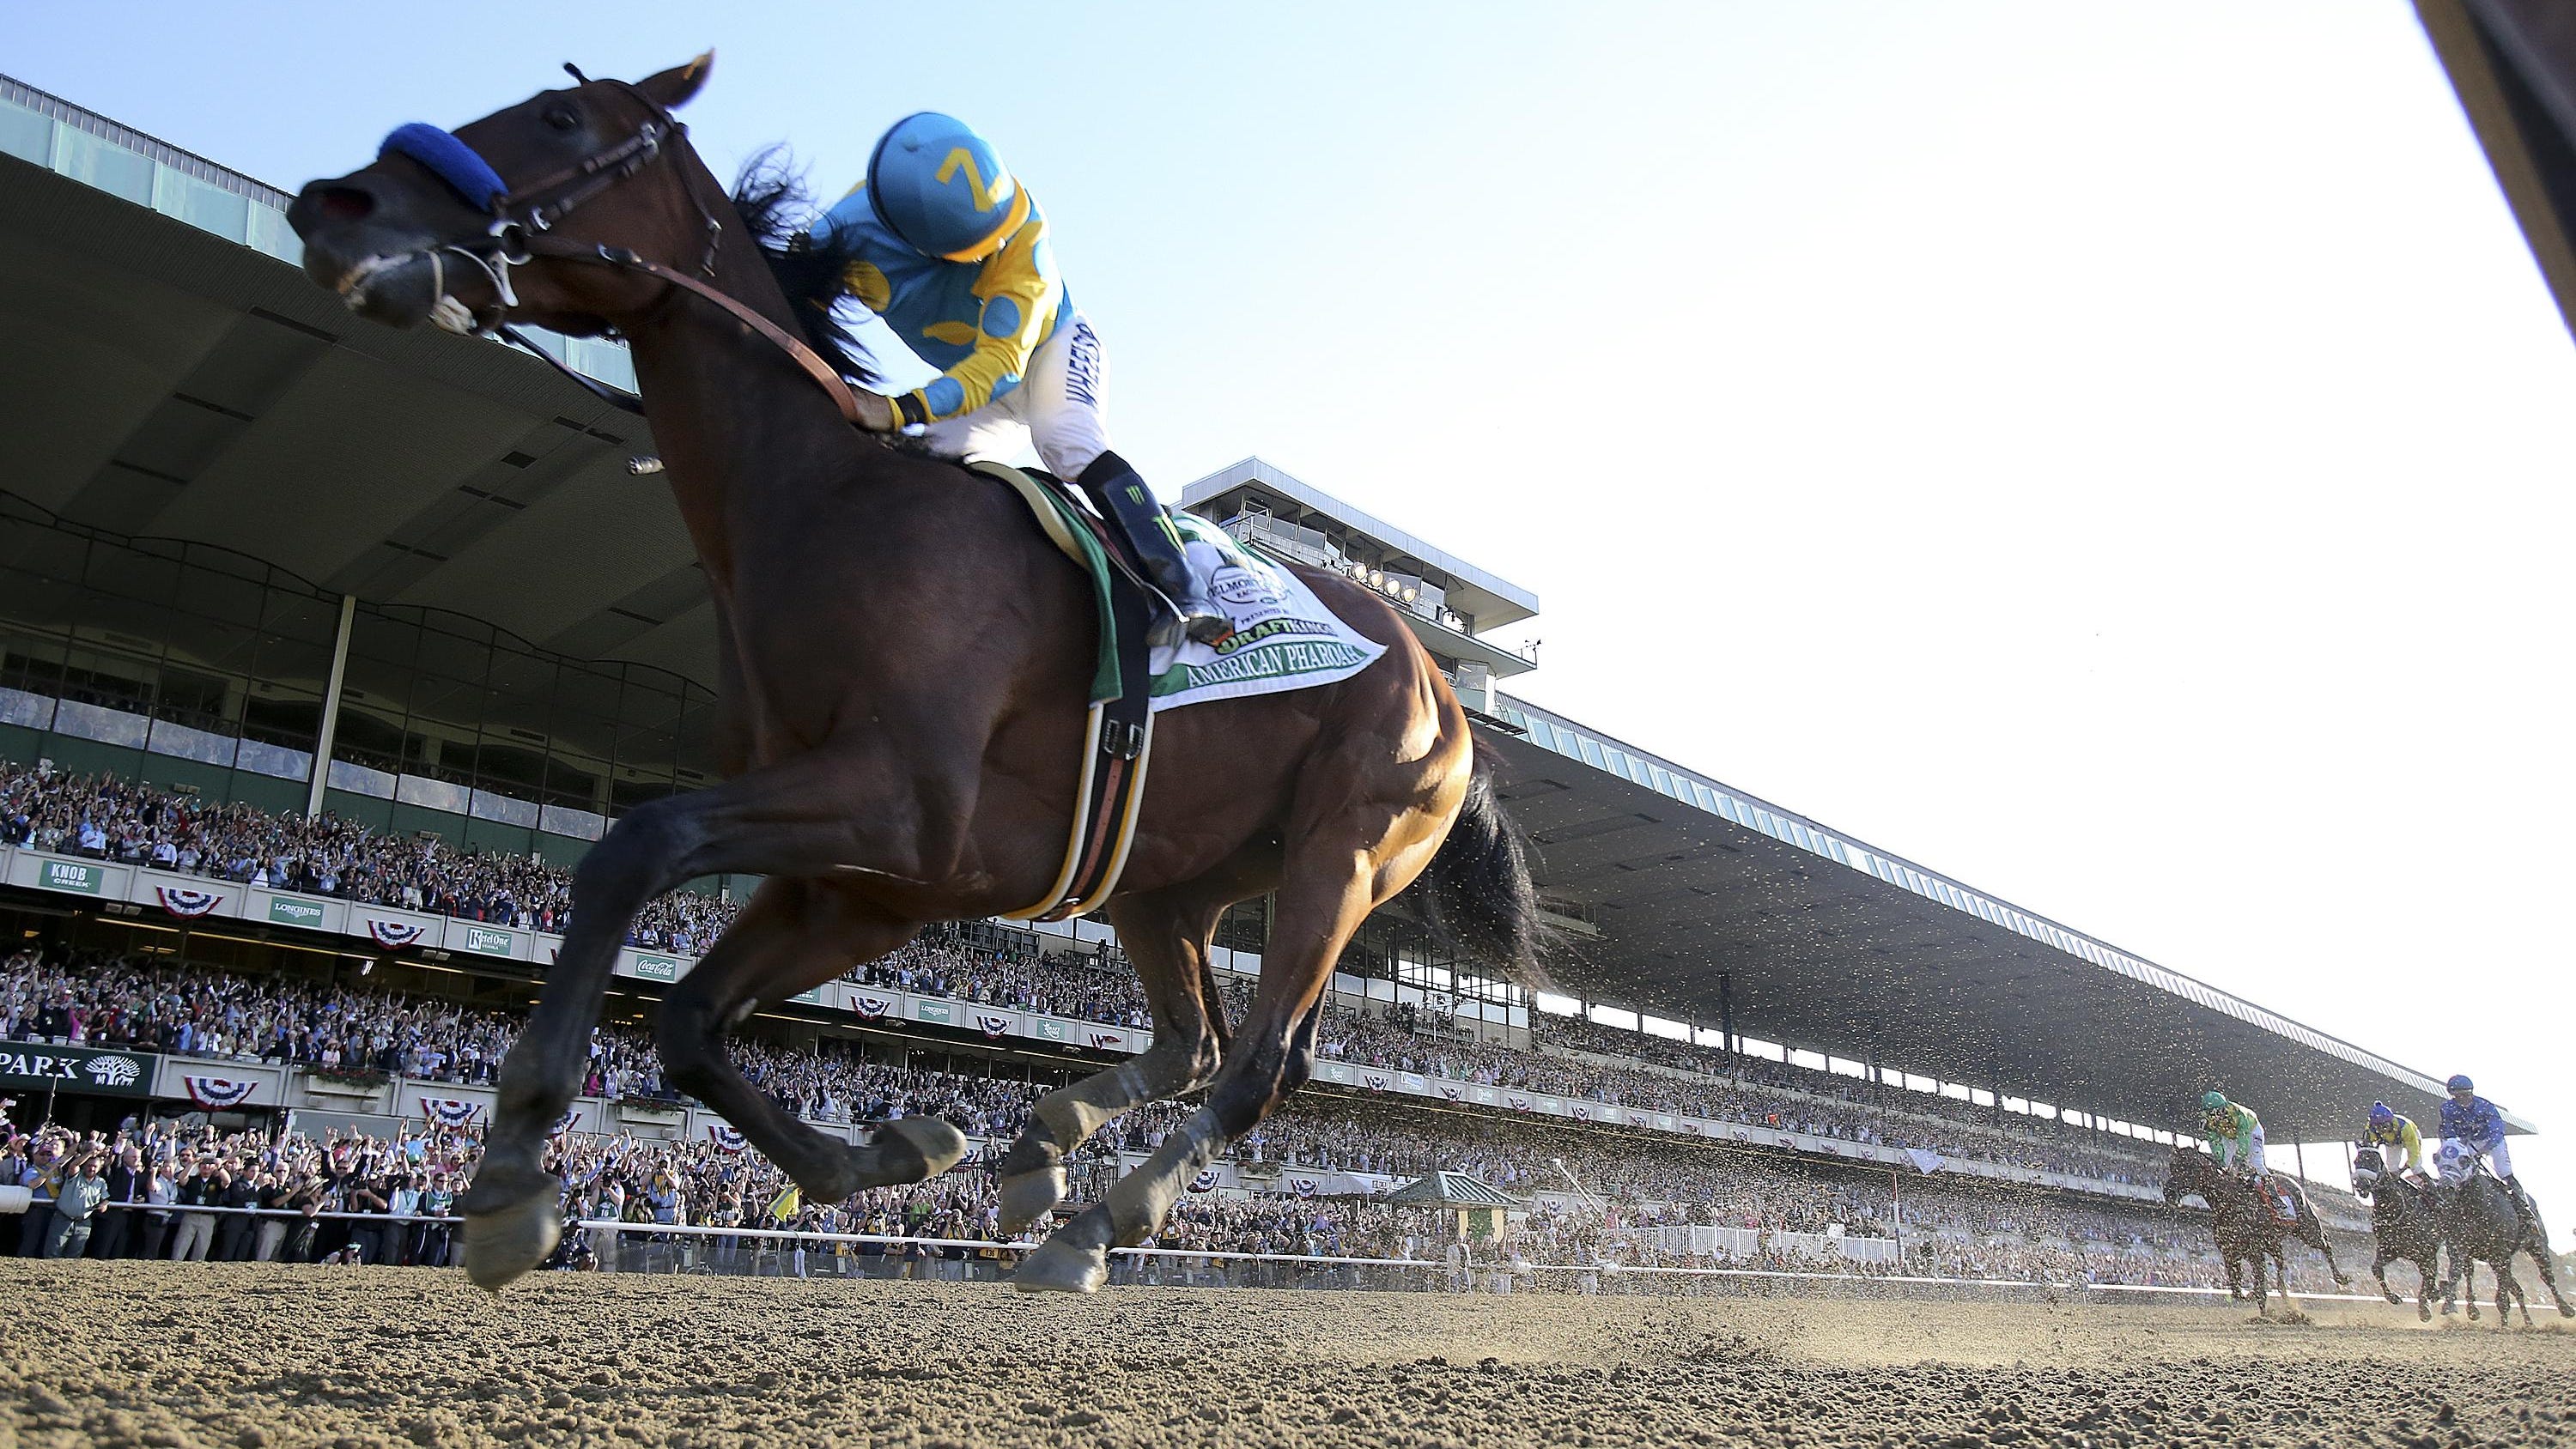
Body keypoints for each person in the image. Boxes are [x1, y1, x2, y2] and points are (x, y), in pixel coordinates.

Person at [813, 112, 1229, 651]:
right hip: (977, 382)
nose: (995, 247)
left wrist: (897, 410)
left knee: (1065, 439)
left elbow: (1002, 365)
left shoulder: (1023, 227)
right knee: (920, 464)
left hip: (1051, 349)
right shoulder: (837, 234)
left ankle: (1182, 587)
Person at [2438, 1075, 2537, 1237]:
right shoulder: (2447, 1108)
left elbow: (2496, 1131)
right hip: (2467, 1142)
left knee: (2504, 1172)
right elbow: (2447, 1130)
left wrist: (2481, 1148)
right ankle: (2448, 1203)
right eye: (2458, 1096)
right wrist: (2454, 1145)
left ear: (2471, 1093)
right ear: (2453, 1095)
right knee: (2453, 1166)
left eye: (2466, 1095)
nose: (2463, 1099)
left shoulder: (2485, 1106)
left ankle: (2525, 1211)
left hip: (2491, 1141)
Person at [2200, 1090, 2295, 1221]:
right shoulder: (2208, 1124)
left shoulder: (2239, 1115)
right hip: (2229, 1135)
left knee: (2256, 1163)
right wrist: (2221, 1160)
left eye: (2221, 1111)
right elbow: (2215, 1143)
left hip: (2250, 1130)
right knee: (2228, 1166)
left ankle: (2277, 1201)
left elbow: (2243, 1139)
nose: (2219, 1115)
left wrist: (2239, 1158)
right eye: (2215, 1113)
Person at [43, 1153, 107, 1259]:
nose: (92, 1168)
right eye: (89, 1165)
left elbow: (105, 1199)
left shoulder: (101, 1182)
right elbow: (74, 1165)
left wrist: (103, 1205)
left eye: (95, 1166)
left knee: (74, 1257)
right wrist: (89, 1152)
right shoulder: (75, 1176)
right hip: (63, 1219)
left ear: (99, 1168)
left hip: (83, 1223)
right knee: (52, 1253)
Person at [2362, 1102, 2426, 1188]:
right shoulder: (2370, 1128)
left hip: (2410, 1135)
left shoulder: (2405, 1127)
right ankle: (2396, 1189)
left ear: (2391, 1121)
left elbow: (2414, 1150)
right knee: (2392, 1168)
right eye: (2378, 1127)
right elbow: (2367, 1146)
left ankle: (2433, 1190)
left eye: (2385, 1126)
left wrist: (2408, 1164)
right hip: (2391, 1142)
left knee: (2415, 1166)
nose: (2382, 1130)